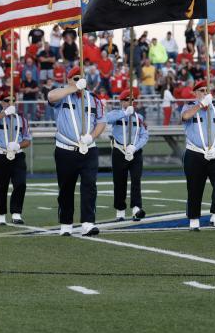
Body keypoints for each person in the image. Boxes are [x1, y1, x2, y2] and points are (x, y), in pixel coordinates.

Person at [47, 66, 107, 236]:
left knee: (89, 186)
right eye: (75, 78)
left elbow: (101, 121)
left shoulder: (93, 99)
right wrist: (73, 87)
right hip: (66, 150)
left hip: (88, 148)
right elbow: (51, 96)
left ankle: (88, 222)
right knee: (66, 188)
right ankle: (66, 223)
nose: (79, 81)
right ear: (68, 80)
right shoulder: (63, 95)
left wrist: (92, 137)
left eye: (81, 78)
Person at [180, 80, 215, 231]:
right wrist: (200, 105)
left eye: (207, 90)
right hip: (195, 153)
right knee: (195, 187)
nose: (205, 93)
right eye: (201, 91)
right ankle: (194, 219)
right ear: (195, 93)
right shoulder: (189, 107)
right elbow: (185, 117)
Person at [0, 94, 32, 225]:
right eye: (6, 100)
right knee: (1, 186)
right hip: (1, 155)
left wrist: (18, 145)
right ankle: (0, 214)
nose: (10, 102)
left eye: (12, 100)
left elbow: (28, 140)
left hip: (17, 155)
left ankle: (16, 213)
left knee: (20, 184)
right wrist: (5, 113)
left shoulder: (21, 118)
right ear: (1, 102)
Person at [105, 88, 149, 222]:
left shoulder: (139, 117)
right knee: (119, 181)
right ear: (121, 102)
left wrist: (135, 146)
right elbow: (107, 119)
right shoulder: (116, 113)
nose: (130, 102)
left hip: (135, 152)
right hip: (119, 151)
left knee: (136, 180)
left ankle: (136, 208)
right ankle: (120, 210)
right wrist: (124, 114)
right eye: (127, 100)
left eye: (132, 100)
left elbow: (145, 135)